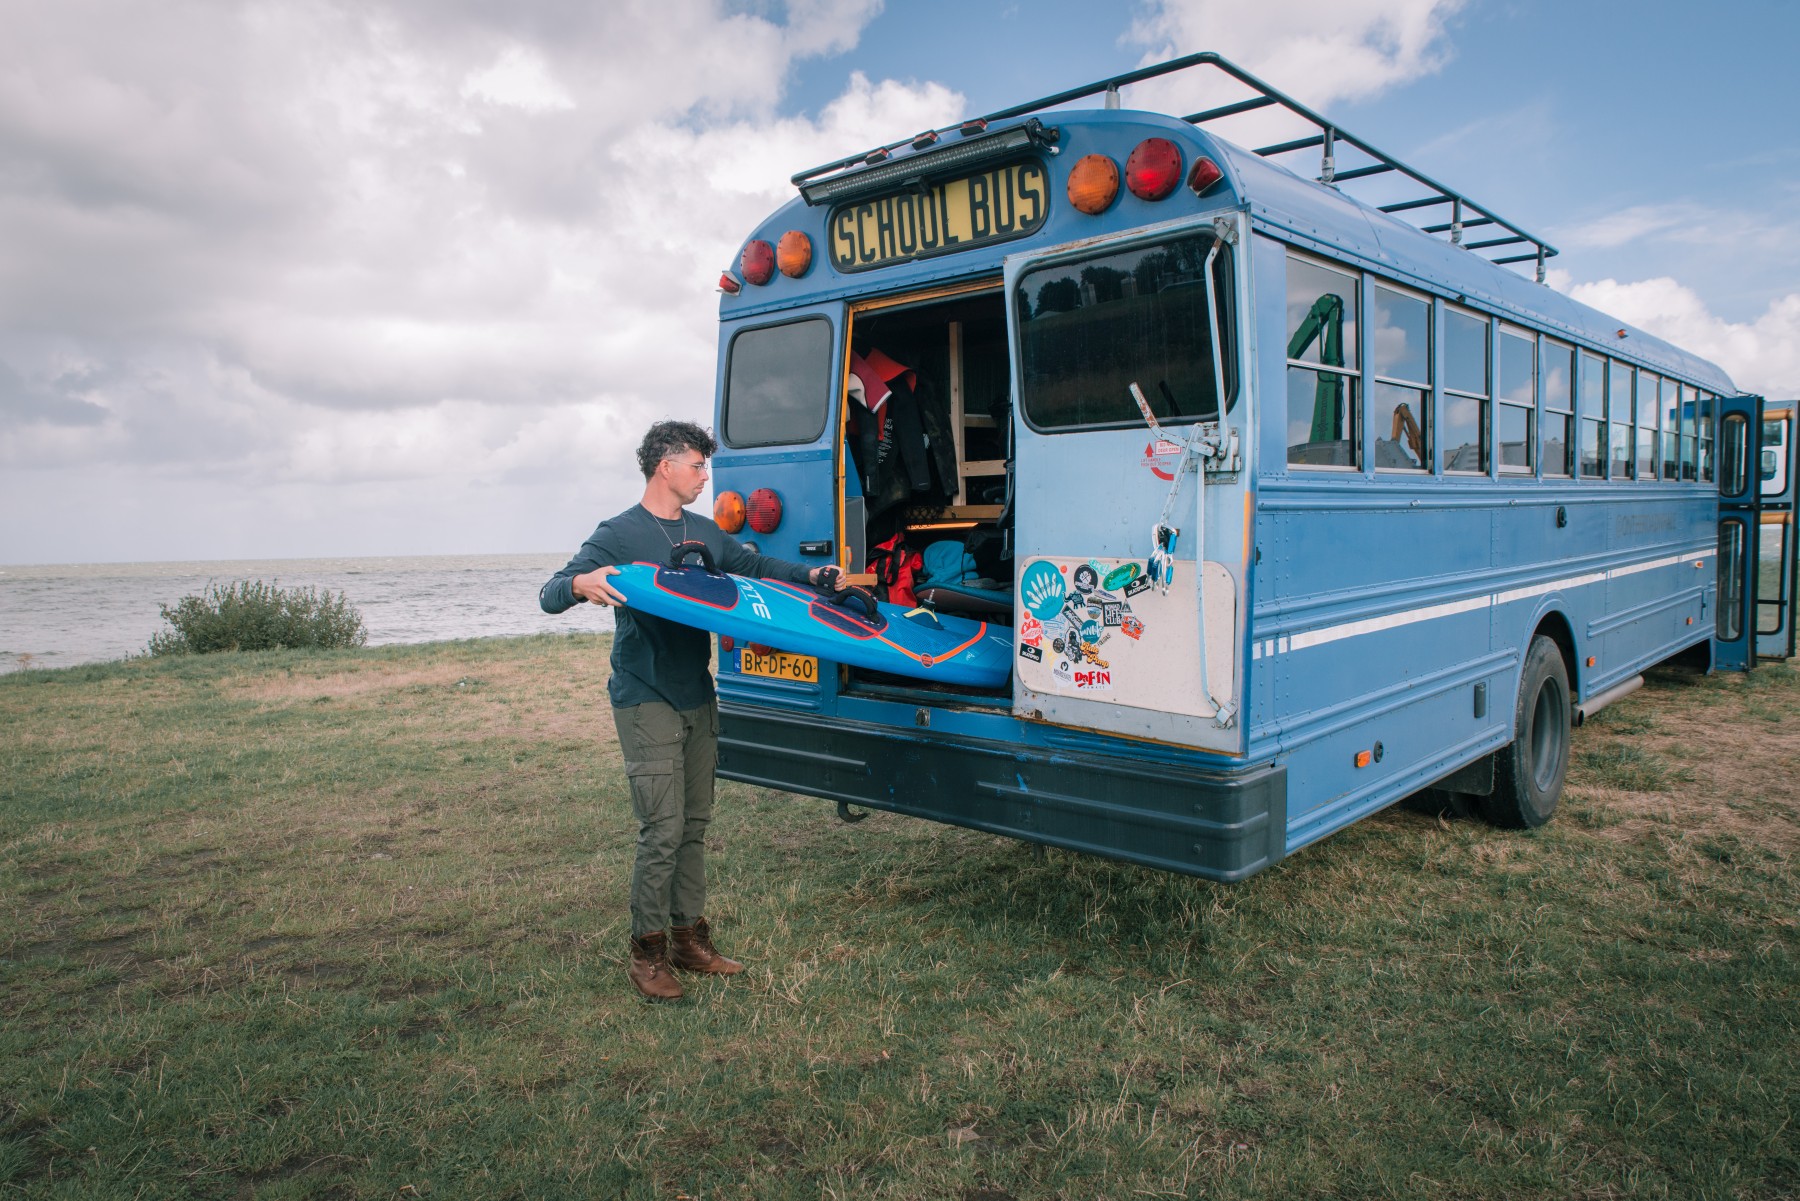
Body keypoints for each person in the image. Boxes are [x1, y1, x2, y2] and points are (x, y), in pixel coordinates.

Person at [539, 420, 841, 1001]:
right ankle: (647, 954)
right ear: (665, 467)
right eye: (698, 466)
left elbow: (756, 569)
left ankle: (688, 940)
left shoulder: (704, 532)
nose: (707, 476)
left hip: (697, 693)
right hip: (644, 691)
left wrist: (813, 577)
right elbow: (551, 592)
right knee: (663, 828)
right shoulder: (620, 533)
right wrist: (582, 582)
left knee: (695, 824)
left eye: (706, 466)